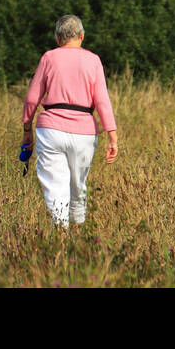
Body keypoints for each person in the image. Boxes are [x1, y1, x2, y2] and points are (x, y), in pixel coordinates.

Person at [22, 14, 118, 227]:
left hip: (51, 129)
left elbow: (31, 98)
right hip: (84, 130)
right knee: (78, 185)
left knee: (55, 185)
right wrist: (112, 135)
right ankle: (78, 233)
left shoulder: (48, 57)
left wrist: (27, 129)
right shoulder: (93, 60)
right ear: (82, 36)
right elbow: (102, 100)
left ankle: (61, 234)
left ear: (58, 38)